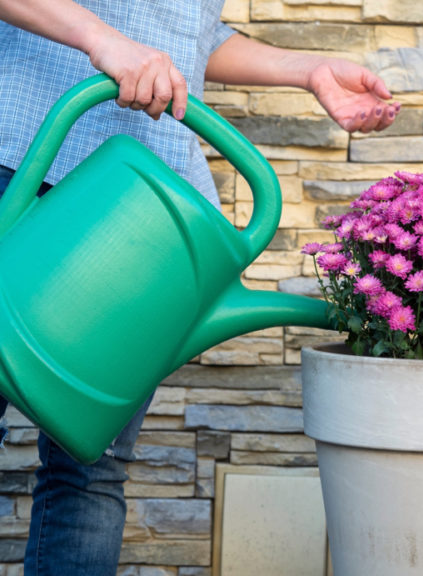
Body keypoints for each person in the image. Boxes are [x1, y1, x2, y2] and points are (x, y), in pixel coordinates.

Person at [0, 1, 400, 574]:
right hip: (26, 160)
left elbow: (187, 32)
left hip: (144, 219)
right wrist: (100, 39)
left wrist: (307, 68)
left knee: (91, 469)